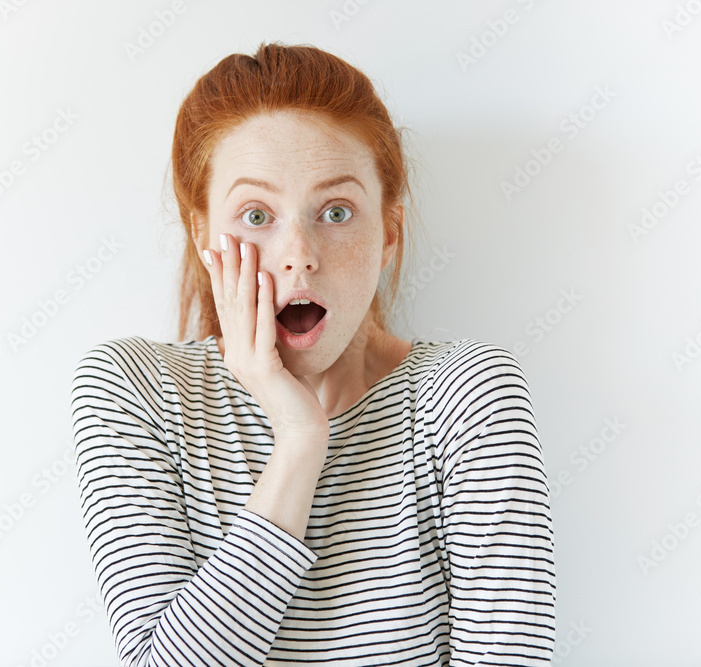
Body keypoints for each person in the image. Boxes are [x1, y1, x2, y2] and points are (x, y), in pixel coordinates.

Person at [71, 41, 556, 666]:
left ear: (388, 231)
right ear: (201, 235)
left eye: (335, 211)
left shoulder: (467, 394)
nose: (299, 253)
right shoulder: (135, 390)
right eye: (255, 214)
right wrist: (299, 442)